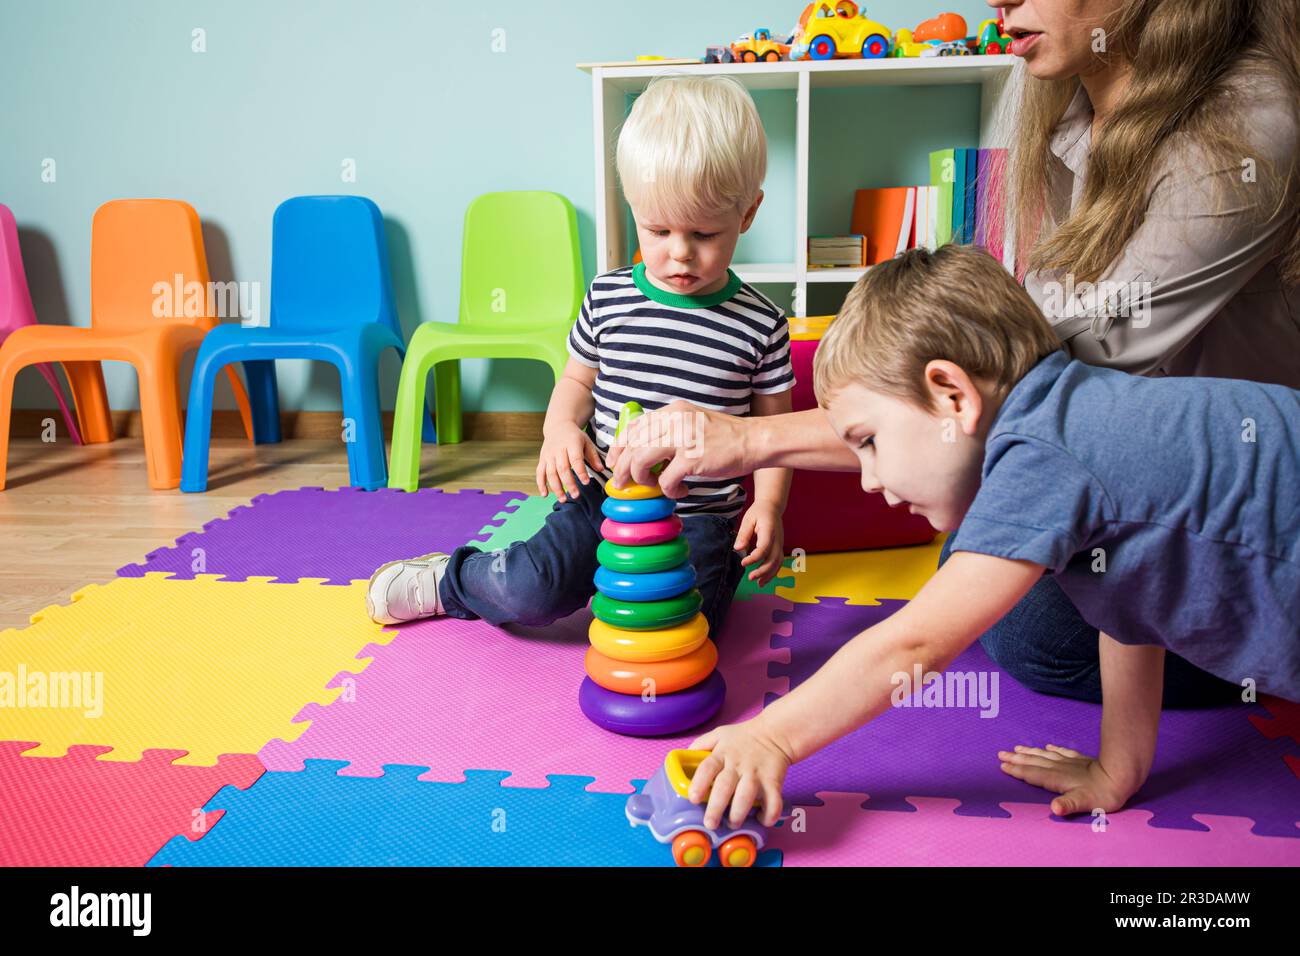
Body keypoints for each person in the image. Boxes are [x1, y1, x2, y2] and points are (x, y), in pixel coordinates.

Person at [610, 0, 1300, 706]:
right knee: (992, 561)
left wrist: (765, 739)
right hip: (1132, 473)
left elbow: (1015, 395)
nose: (997, 3)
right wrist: (1119, 768)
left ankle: (1257, 651)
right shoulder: (1071, 109)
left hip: (1240, 510)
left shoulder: (1238, 136)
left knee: (1019, 623)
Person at [674, 244, 1299, 831]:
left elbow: (915, 642)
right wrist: (1117, 770)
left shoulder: (1044, 453)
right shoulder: (1078, 416)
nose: (865, 479)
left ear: (952, 395)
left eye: (867, 441)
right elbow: (1131, 612)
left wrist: (771, 737)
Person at [365, 75, 794, 635]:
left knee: (684, 627)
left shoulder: (762, 322)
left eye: (705, 233)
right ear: (634, 209)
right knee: (530, 590)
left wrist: (770, 507)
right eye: (657, 229)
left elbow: (774, 432)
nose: (680, 253)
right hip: (604, 498)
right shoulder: (608, 296)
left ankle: (609, 588)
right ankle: (453, 579)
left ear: (748, 214)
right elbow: (575, 382)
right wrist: (560, 430)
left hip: (701, 519)